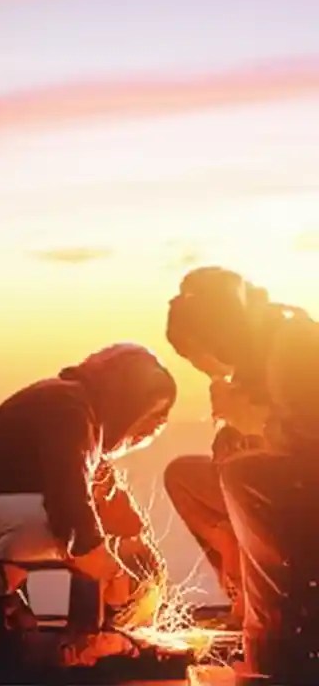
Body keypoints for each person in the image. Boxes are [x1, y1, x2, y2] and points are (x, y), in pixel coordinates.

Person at [0, 343, 174, 668]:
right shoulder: (68, 408)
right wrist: (113, 574)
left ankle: (69, 625)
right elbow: (71, 507)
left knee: (91, 533)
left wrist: (145, 571)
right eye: (151, 416)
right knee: (65, 525)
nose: (151, 429)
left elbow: (118, 516)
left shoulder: (87, 420)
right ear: (129, 396)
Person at [165, 266, 319, 681]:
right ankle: (243, 598)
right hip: (293, 490)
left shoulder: (296, 346)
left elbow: (308, 442)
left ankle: (277, 634)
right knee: (190, 474)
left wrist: (252, 423)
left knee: (246, 476)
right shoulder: (261, 357)